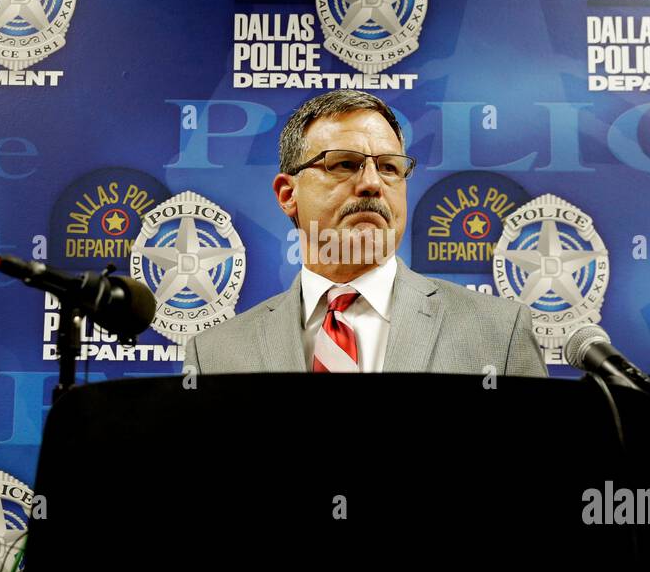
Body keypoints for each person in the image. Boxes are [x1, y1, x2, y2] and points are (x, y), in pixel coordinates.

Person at [182, 89, 547, 376]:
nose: (372, 183)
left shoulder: (500, 333)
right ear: (288, 194)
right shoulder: (215, 354)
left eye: (389, 167)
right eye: (344, 164)